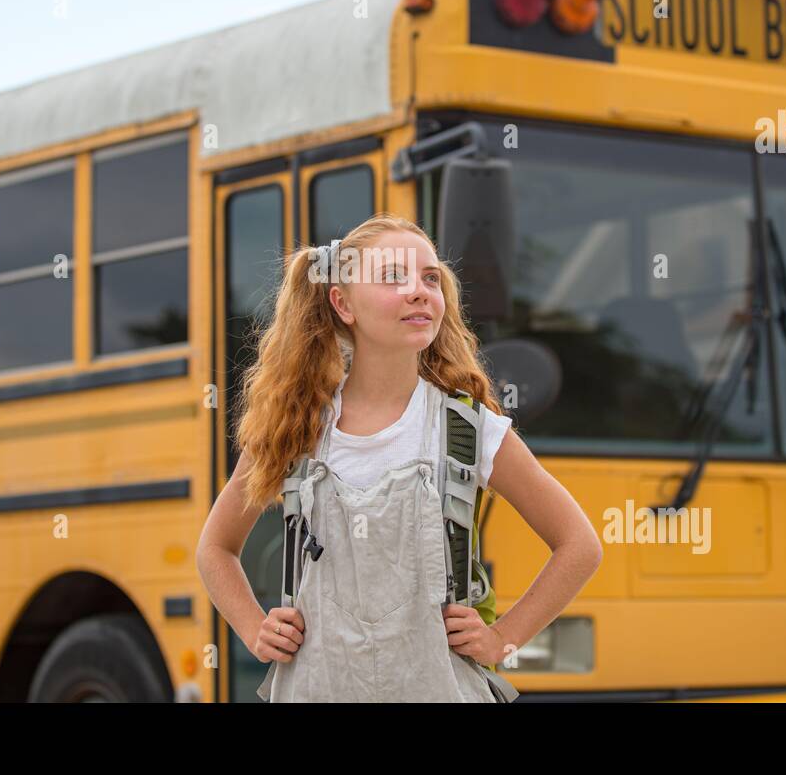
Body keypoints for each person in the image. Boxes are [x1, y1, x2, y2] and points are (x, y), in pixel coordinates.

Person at [197, 212, 603, 701]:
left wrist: (502, 639)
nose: (419, 290)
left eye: (430, 278)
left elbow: (579, 545)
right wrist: (254, 629)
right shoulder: (295, 429)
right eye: (393, 277)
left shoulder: (469, 431)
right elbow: (215, 549)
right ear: (342, 304)